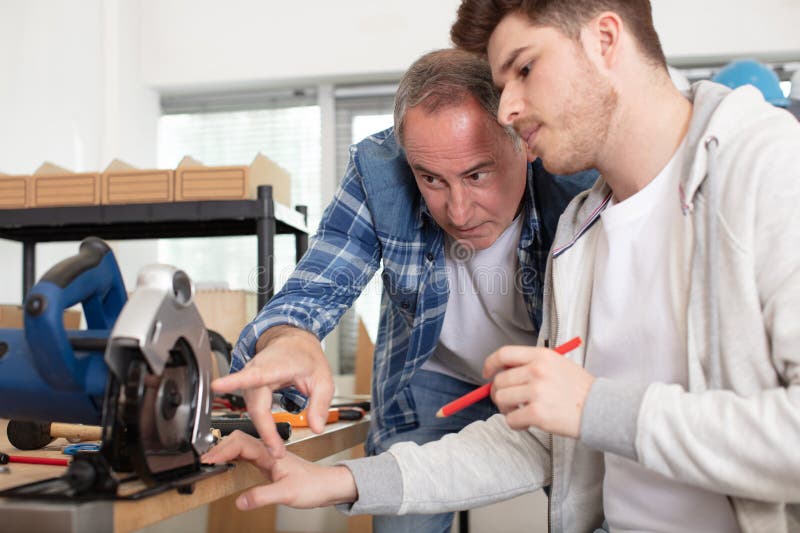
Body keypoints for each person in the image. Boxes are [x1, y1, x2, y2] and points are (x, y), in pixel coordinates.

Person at [205, 1, 800, 531]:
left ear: (605, 39)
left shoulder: (768, 168)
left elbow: (583, 413)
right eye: (501, 80)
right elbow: (545, 439)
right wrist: (340, 479)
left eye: (524, 68)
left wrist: (595, 408)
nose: (510, 107)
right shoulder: (583, 232)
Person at [210, 48, 596, 533]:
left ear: (524, 141)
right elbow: (323, 277)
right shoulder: (381, 173)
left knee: (588, 511)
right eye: (431, 179)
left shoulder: (579, 180)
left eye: (477, 175)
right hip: (433, 377)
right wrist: (288, 336)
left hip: (545, 371)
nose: (457, 211)